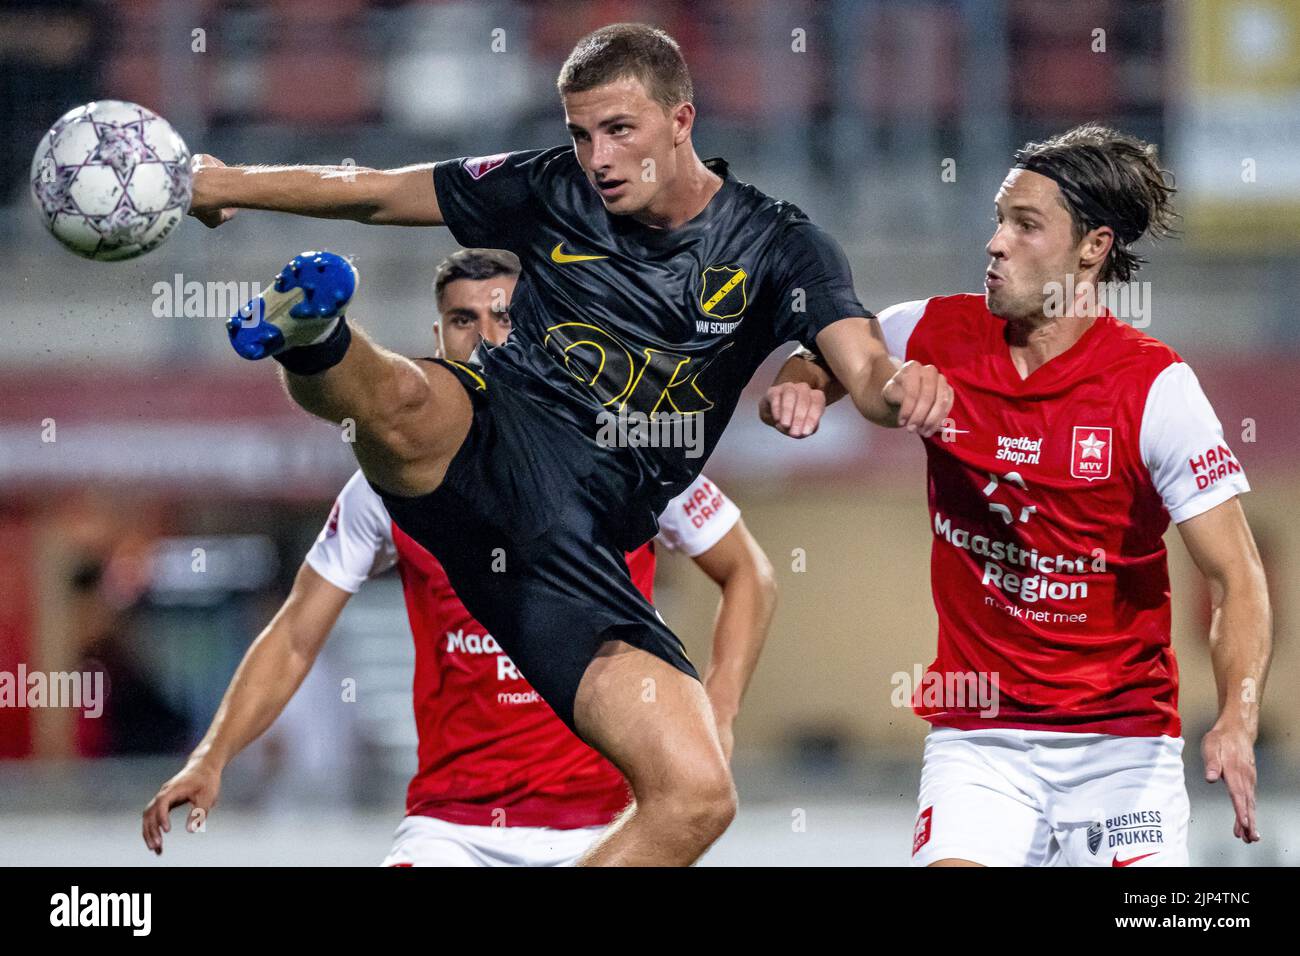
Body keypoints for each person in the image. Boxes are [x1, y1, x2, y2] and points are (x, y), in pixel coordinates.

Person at [187, 23, 951, 865]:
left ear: (681, 120)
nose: (597, 156)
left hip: (580, 549)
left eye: (619, 130)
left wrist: (896, 390)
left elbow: (864, 359)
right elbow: (375, 190)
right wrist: (229, 183)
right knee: (405, 399)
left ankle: (316, 340)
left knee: (698, 800)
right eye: (581, 133)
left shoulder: (777, 246)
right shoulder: (549, 187)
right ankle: (313, 336)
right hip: (506, 433)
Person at [143, 248, 776, 865]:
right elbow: (296, 637)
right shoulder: (381, 490)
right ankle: (315, 340)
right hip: (456, 829)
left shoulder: (624, 446)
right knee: (384, 408)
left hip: (613, 827)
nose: (485, 336)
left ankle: (318, 340)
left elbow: (748, 572)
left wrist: (718, 713)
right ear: (438, 336)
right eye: (463, 320)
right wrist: (212, 755)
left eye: (503, 316)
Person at [762, 124, 1272, 866]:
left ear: (1092, 248)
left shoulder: (1157, 390)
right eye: (999, 219)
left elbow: (1238, 578)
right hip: (979, 741)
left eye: (1025, 225)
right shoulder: (932, 330)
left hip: (1121, 748)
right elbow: (825, 360)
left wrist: (1237, 715)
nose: (995, 243)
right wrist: (796, 392)